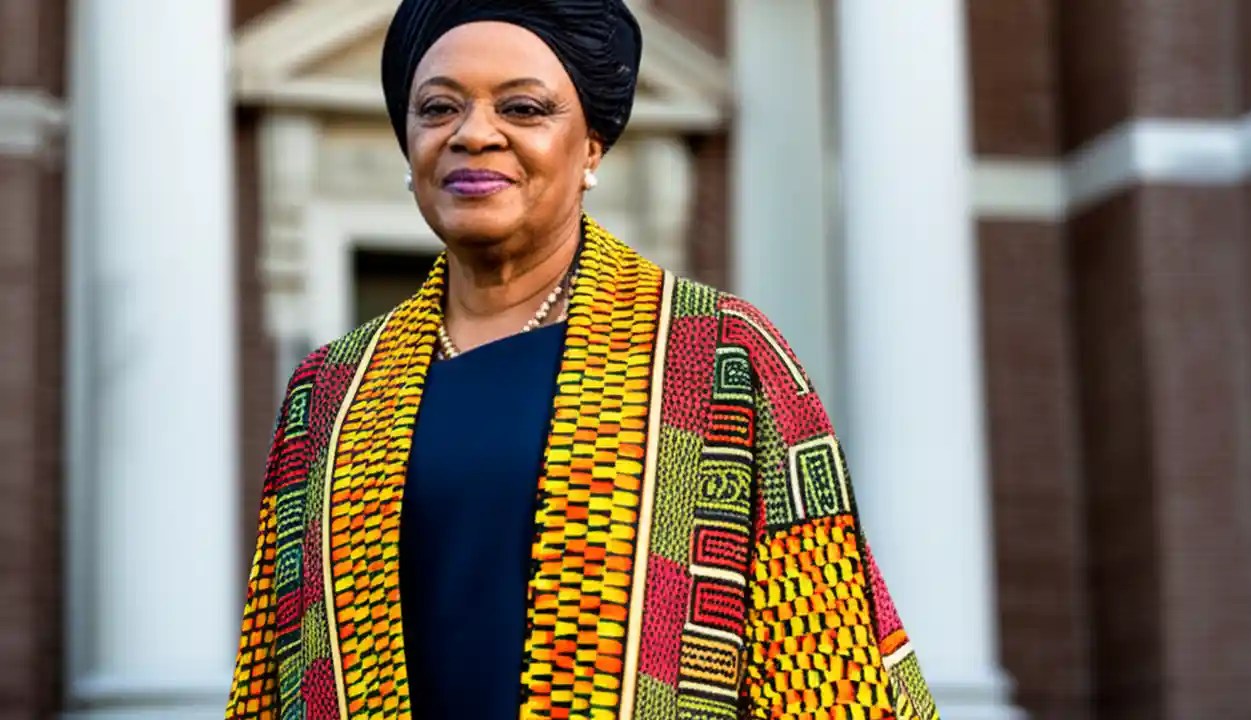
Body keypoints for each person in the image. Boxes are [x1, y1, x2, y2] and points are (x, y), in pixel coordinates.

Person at [226, 1, 938, 718]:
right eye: (437, 108)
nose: (474, 134)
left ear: (591, 146)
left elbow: (826, 657)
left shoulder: (719, 357)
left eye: (524, 107)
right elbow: (277, 668)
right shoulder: (332, 390)